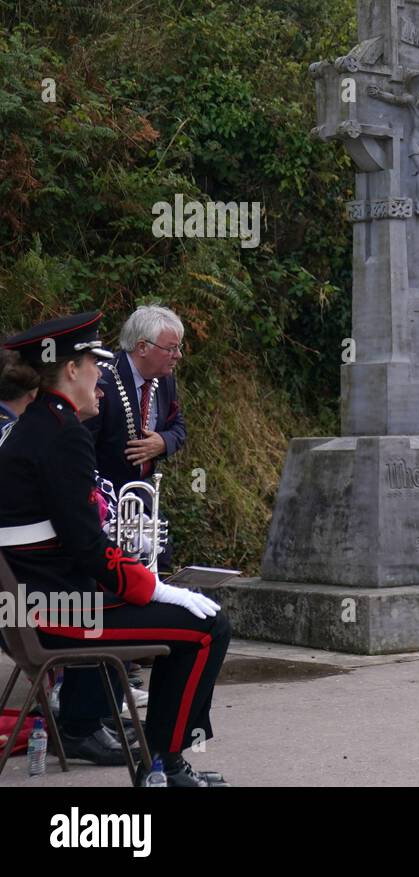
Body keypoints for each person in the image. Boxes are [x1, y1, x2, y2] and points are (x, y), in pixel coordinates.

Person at [0, 312, 229, 786]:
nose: (99, 376)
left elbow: (72, 536)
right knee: (208, 627)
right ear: (70, 371)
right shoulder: (61, 436)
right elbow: (86, 546)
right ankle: (166, 765)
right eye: (92, 364)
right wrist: (154, 588)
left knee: (198, 623)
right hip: (57, 612)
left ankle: (163, 759)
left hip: (39, 602)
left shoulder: (38, 426)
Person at [84, 304, 188, 571]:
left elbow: (178, 426)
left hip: (142, 497)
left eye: (178, 347)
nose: (178, 355)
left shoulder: (165, 380)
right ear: (142, 347)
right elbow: (82, 446)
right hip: (103, 502)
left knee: (161, 562)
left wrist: (163, 442)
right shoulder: (102, 379)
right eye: (171, 348)